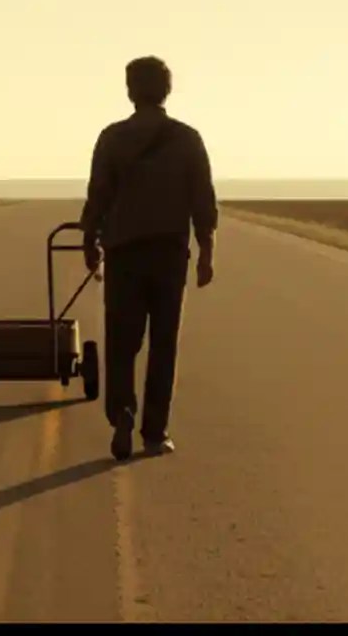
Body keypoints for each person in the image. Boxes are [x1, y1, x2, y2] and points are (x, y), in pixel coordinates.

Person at [79, 55, 219, 462]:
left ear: (129, 90)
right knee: (163, 343)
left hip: (123, 252)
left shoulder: (111, 138)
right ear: (167, 90)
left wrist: (91, 243)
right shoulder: (187, 138)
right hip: (169, 253)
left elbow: (98, 194)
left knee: (121, 341)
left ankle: (122, 411)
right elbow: (202, 199)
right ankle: (154, 433)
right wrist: (207, 252)